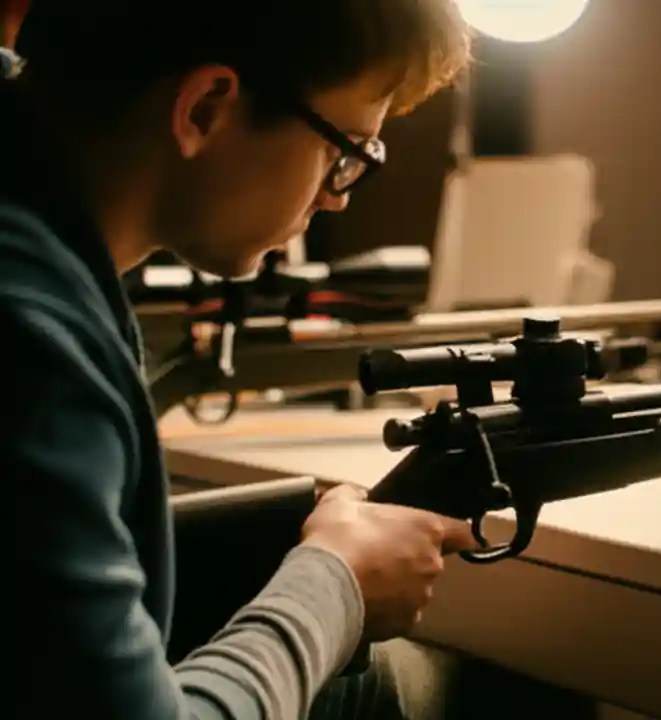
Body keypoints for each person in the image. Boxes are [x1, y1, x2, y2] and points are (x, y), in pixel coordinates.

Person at [0, 1, 488, 718]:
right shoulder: (34, 348)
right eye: (345, 151)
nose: (336, 199)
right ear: (205, 108)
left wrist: (290, 536)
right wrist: (337, 584)